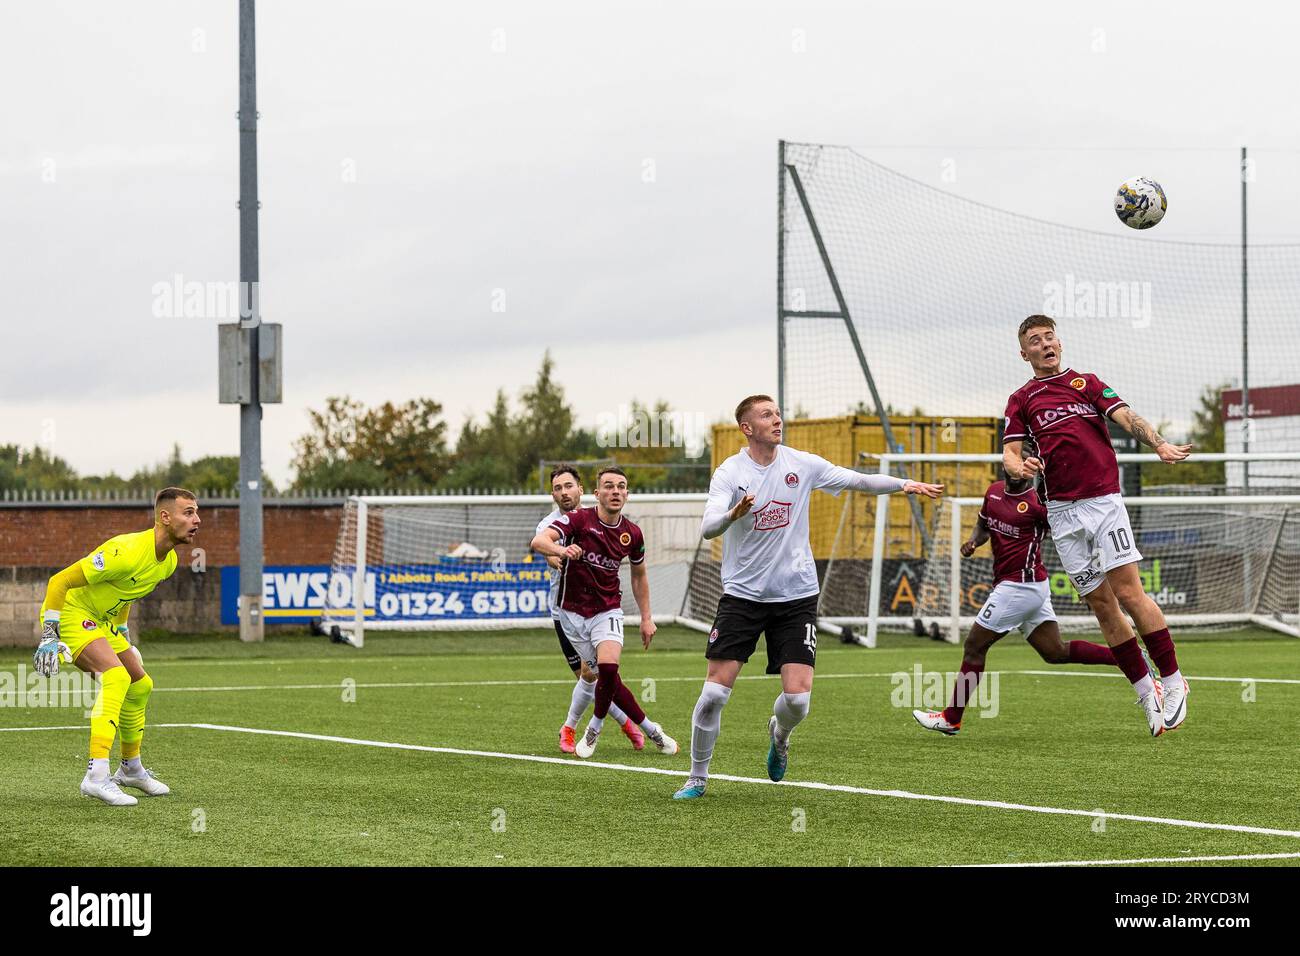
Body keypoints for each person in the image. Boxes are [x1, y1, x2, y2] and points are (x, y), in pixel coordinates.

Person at [674, 395, 944, 799]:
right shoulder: (730, 472)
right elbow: (709, 527)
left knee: (798, 703)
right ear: (747, 428)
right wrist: (733, 514)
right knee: (713, 694)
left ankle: (779, 734)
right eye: (767, 415)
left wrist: (903, 484)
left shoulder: (802, 464)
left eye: (778, 413)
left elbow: (859, 480)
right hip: (743, 597)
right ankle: (697, 777)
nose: (777, 420)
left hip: (796, 595)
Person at [1003, 315, 1191, 736]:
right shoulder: (1021, 399)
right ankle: (1147, 691)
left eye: (1050, 337)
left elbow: (1126, 417)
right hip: (1063, 514)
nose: (1045, 344)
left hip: (1104, 503)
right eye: (1036, 340)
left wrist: (1158, 443)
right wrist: (1022, 466)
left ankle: (1175, 680)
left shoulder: (1085, 383)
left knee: (1128, 592)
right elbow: (1011, 455)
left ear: (1060, 343)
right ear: (1024, 353)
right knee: (1101, 605)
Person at [912, 471, 1120, 735]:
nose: (1013, 467)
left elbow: (1068, 540)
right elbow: (983, 526)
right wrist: (974, 541)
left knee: (974, 645)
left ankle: (951, 718)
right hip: (1027, 588)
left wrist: (1082, 580)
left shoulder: (1037, 504)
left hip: (1020, 586)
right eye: (1010, 459)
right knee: (1055, 652)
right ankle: (1127, 657)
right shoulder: (994, 492)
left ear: (1030, 468)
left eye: (1021, 461)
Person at [33, 487, 200, 805]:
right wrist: (49, 634)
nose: (197, 520)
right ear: (165, 517)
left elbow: (128, 593)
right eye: (188, 512)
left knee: (140, 685)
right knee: (116, 676)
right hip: (70, 612)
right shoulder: (125, 550)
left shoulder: (167, 561)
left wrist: (121, 631)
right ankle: (96, 777)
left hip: (100, 620)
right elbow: (59, 582)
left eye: (196, 512)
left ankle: (131, 770)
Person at [530, 466, 678, 759]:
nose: (615, 491)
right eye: (609, 486)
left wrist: (647, 618)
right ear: (597, 493)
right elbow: (540, 543)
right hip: (568, 613)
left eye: (621, 486)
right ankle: (648, 728)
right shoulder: (571, 521)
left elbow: (639, 575)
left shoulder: (632, 533)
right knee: (597, 676)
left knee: (606, 670)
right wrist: (560, 553)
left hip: (607, 609)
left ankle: (591, 728)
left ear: (582, 490)